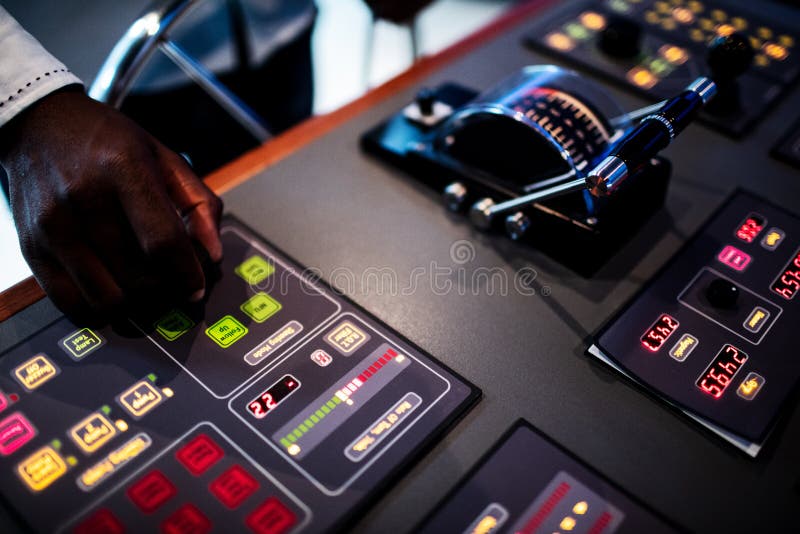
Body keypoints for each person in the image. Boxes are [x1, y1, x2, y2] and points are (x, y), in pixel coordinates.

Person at [0, 0, 433, 324]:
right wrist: (25, 101)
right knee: (124, 269)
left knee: (288, 220)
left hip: (281, 28)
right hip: (86, 83)